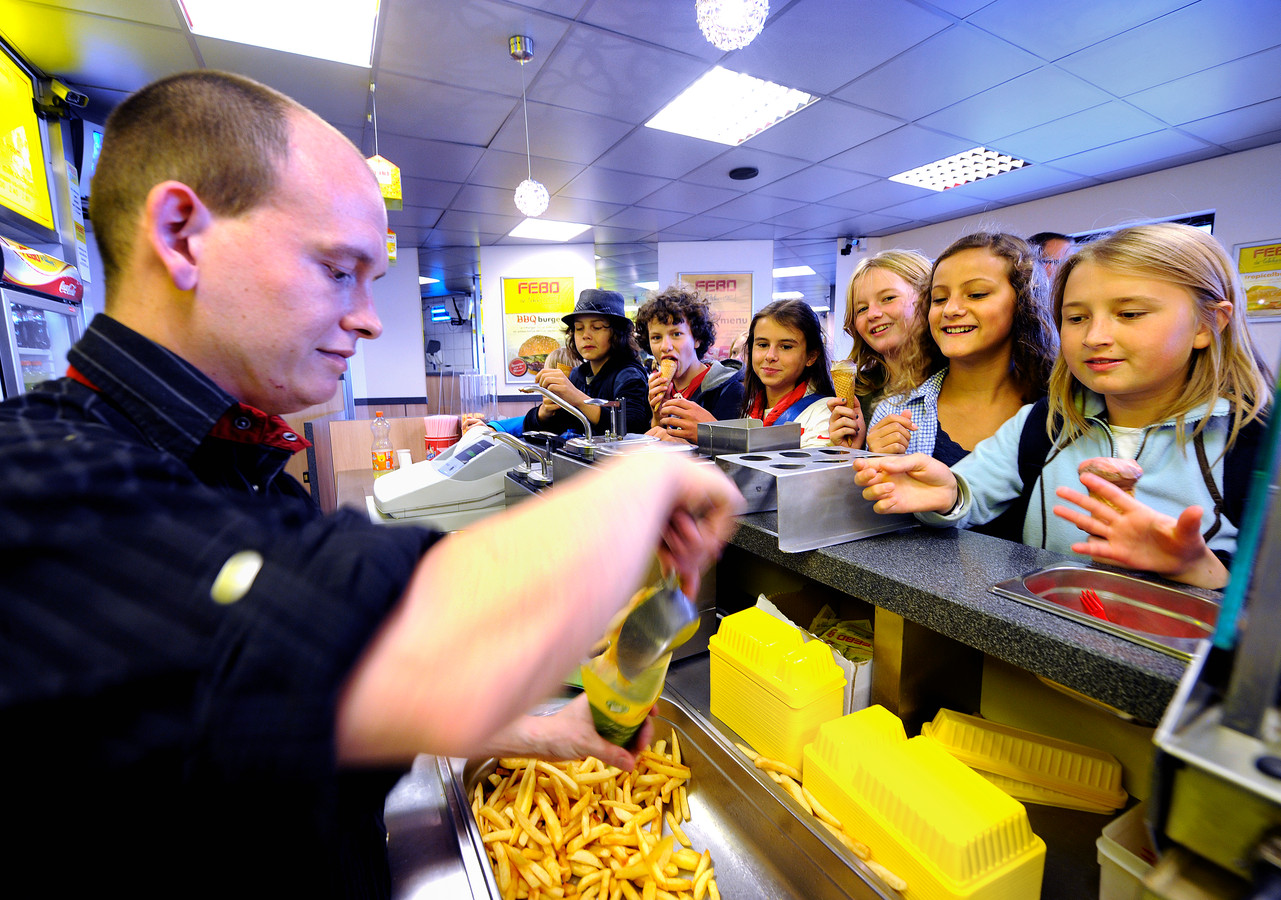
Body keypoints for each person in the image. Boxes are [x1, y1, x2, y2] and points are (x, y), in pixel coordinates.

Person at [0, 71, 742, 897]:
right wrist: (641, 476)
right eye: (336, 269)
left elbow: (297, 712)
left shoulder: (240, 466)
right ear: (180, 233)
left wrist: (542, 733)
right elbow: (390, 636)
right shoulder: (37, 480)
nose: (369, 317)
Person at [853, 223, 1272, 590]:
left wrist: (1199, 567)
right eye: (1076, 318)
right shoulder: (1046, 422)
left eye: (1129, 313)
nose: (1096, 336)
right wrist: (946, 493)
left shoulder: (1253, 444)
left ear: (1207, 324)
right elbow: (970, 490)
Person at [866, 232, 1057, 463]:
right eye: (939, 299)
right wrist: (877, 463)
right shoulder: (895, 415)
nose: (950, 309)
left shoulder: (1061, 409)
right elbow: (876, 496)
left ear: (1023, 302)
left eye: (976, 294)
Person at [826, 249, 931, 448]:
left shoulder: (957, 381)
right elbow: (853, 474)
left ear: (928, 299)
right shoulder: (859, 393)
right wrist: (849, 452)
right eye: (862, 309)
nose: (872, 314)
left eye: (888, 298)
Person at [521, 289, 651, 437]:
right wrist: (544, 412)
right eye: (579, 328)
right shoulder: (579, 375)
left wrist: (578, 398)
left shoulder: (628, 375)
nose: (585, 335)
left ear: (617, 333)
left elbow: (633, 427)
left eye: (596, 327)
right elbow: (546, 432)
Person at [636, 284, 744, 444]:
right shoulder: (656, 389)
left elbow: (733, 454)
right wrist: (657, 417)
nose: (665, 346)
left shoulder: (729, 391)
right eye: (656, 338)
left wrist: (707, 434)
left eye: (676, 334)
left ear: (697, 339)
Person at [739, 298, 836, 447]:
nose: (770, 356)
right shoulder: (749, 409)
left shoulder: (825, 414)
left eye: (785, 347)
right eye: (763, 345)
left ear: (811, 356)